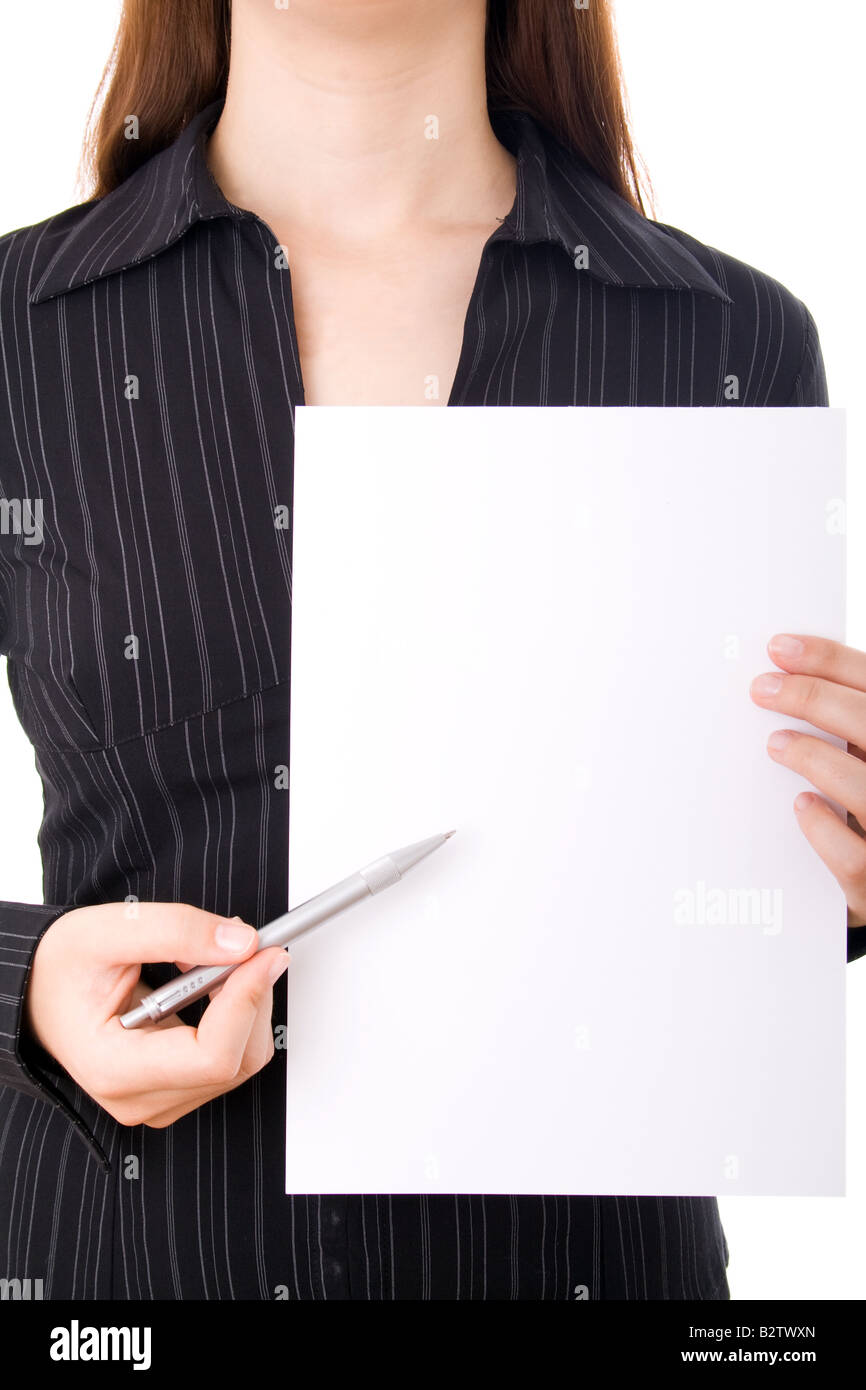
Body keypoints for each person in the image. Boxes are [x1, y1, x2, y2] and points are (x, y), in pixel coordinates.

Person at [0, 0, 863, 1301]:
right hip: (125, 1270)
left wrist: (832, 870)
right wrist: (28, 984)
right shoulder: (21, 331)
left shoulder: (727, 336)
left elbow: (717, 881)